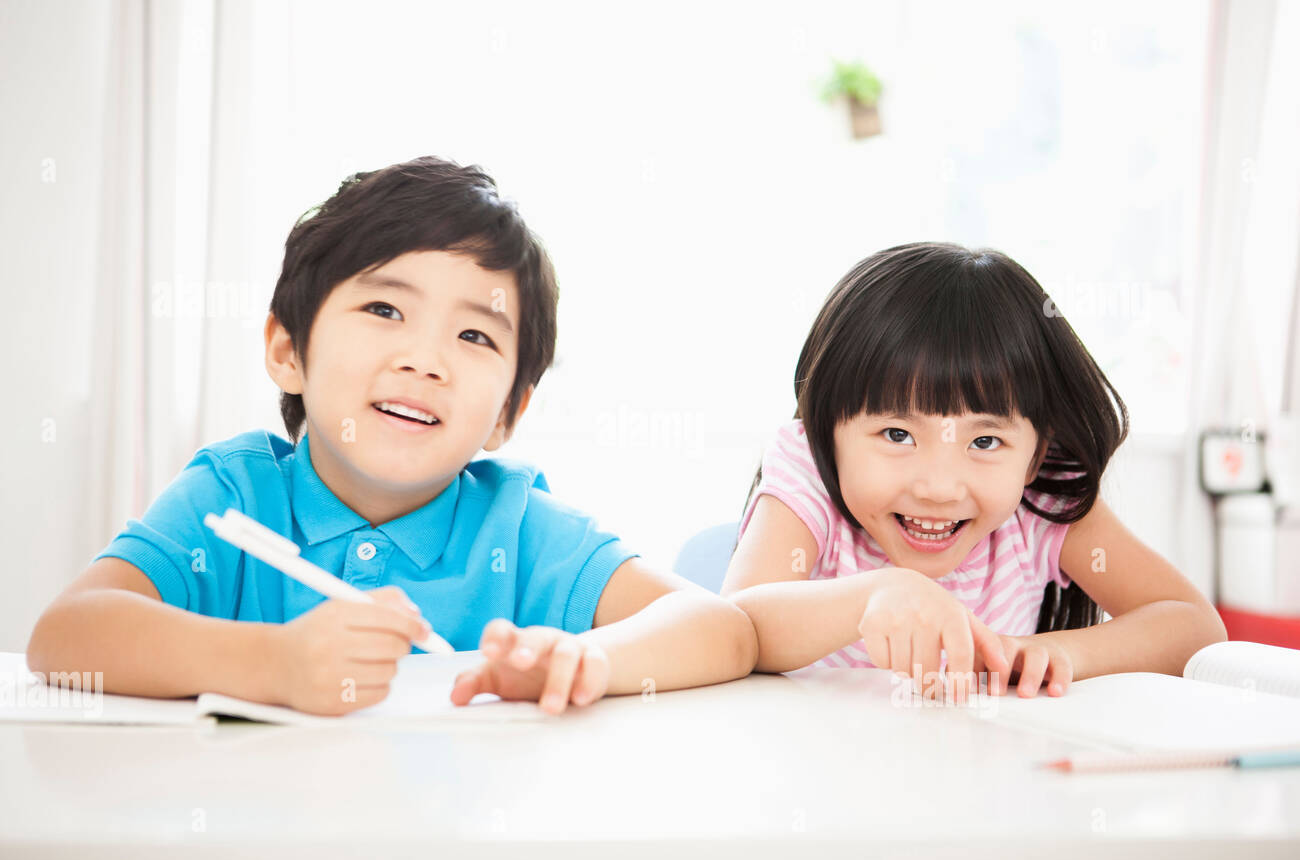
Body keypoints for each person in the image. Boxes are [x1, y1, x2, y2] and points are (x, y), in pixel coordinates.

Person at [27, 156, 756, 717]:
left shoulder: (522, 526)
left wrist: (584, 659)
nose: (425, 359)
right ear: (288, 350)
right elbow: (67, 636)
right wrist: (271, 663)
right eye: (383, 309)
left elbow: (719, 628)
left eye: (474, 333)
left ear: (508, 412)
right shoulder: (233, 495)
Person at [722, 242, 1226, 702]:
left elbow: (1193, 626)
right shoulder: (812, 474)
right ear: (828, 431)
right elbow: (735, 626)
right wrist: (872, 596)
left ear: (1034, 456)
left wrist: (1063, 654)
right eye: (898, 435)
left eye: (984, 441)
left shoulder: (1041, 501)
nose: (938, 488)